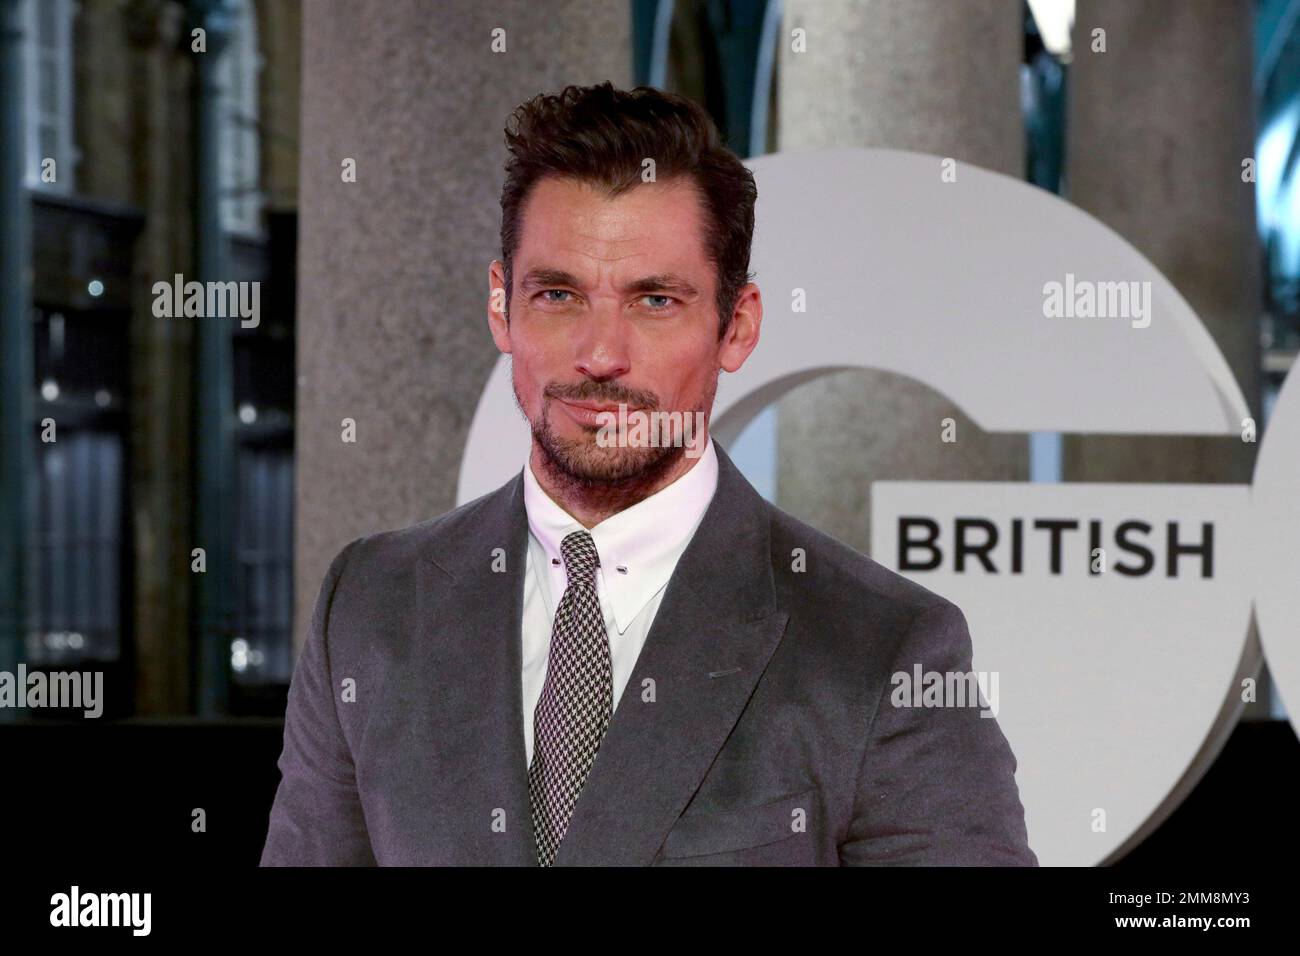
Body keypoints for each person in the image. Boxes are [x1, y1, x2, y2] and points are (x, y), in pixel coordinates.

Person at [260, 81, 1036, 866]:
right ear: (502, 308)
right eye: (557, 294)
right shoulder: (370, 605)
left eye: (655, 300)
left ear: (737, 327)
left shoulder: (882, 647)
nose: (600, 355)